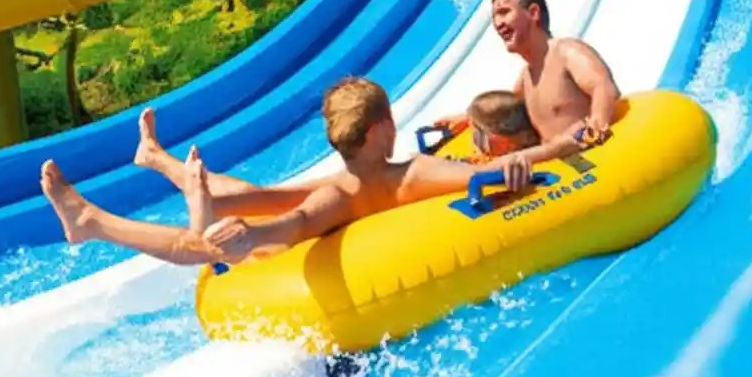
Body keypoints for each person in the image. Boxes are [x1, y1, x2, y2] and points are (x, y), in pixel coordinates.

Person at [40, 77, 548, 267]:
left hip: (329, 205)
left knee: (259, 195)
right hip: (293, 240)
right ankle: (92, 221)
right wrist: (557, 148)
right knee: (200, 243)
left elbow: (298, 217)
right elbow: (299, 225)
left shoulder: (344, 186)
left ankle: (158, 161)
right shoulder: (412, 174)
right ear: (381, 130)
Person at [435, 0, 621, 173]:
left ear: (533, 13)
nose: (498, 24)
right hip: (561, 168)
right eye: (494, 18)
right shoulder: (526, 78)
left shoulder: (566, 52)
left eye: (504, 12)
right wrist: (466, 119)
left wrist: (595, 125)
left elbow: (603, 87)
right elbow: (504, 108)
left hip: (590, 160)